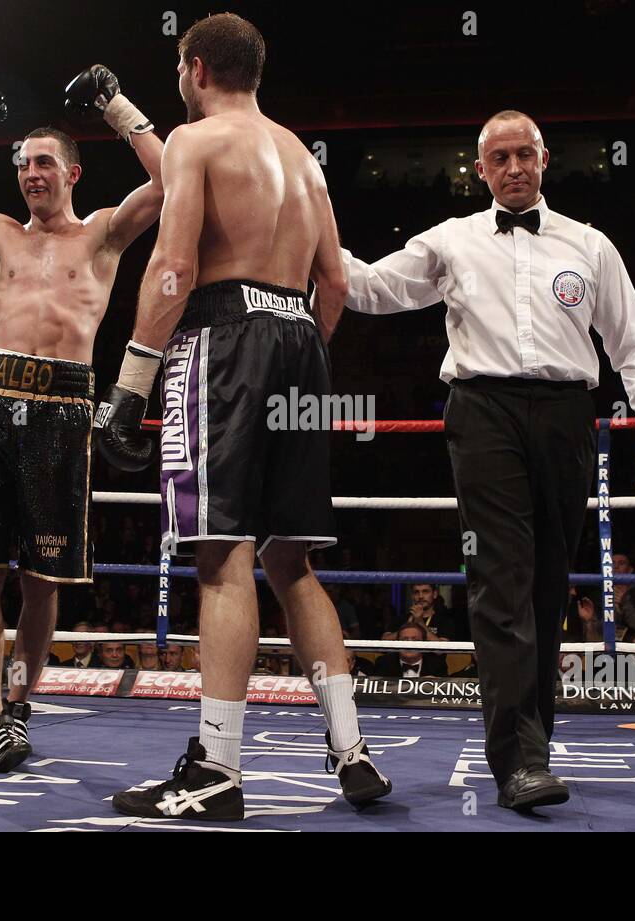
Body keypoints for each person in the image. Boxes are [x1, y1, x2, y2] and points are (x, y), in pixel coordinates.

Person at [97, 12, 390, 821]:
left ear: (195, 69)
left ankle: (217, 769)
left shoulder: (195, 140)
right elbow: (334, 284)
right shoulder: (302, 155)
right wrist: (297, 353)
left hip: (225, 337)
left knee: (220, 557)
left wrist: (130, 384)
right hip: (302, 341)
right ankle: (351, 747)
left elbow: (174, 264)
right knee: (291, 561)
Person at [342, 110, 635, 810]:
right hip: (482, 411)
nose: (515, 166)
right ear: (481, 169)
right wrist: (309, 237)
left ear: (545, 159)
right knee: (500, 579)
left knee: (547, 585)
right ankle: (518, 759)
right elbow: (374, 288)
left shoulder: (589, 245)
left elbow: (633, 344)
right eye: (501, 157)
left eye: (525, 153)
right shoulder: (452, 240)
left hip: (565, 417)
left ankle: (535, 745)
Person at [0, 67, 165, 771]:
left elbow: (177, 180)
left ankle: (18, 700)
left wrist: (116, 105)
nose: (31, 172)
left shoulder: (103, 234)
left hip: (65, 406)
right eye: (22, 163)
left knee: (43, 579)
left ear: (72, 172)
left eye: (44, 161)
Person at [373, 622, 448, 678]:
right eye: (404, 640)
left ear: (424, 644)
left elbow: (445, 694)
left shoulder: (437, 665)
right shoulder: (384, 663)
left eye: (415, 640)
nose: (409, 644)